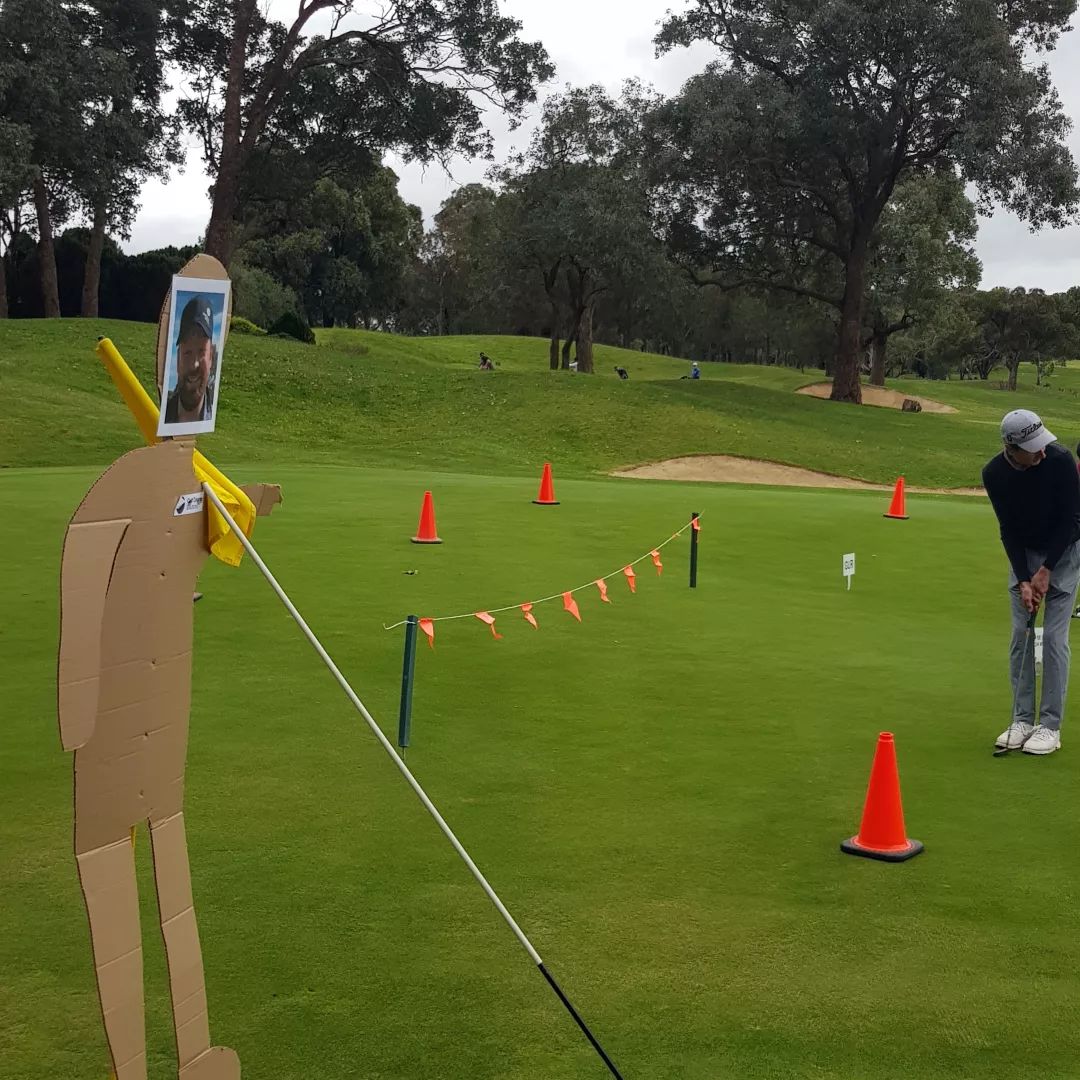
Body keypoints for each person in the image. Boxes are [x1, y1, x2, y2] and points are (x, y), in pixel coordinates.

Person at [985, 409, 1080, 755]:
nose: (1040, 451)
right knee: (1020, 635)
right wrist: (1024, 579)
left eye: (1042, 444)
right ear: (1010, 447)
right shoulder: (994, 473)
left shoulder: (1059, 460)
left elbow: (1071, 519)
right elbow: (1007, 529)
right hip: (1023, 554)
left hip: (1065, 553)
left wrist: (1047, 569)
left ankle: (1050, 726)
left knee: (1054, 638)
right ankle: (1022, 719)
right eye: (1031, 448)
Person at [164, 296, 216, 425]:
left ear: (211, 359)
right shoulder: (160, 414)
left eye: (202, 352)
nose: (194, 364)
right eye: (187, 353)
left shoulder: (218, 421)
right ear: (177, 361)